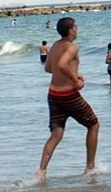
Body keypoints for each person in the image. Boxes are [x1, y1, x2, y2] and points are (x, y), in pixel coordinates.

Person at [38, 16, 100, 178]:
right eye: (76, 27)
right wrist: (75, 81)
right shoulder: (71, 47)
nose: (77, 29)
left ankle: (41, 172)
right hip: (68, 95)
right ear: (71, 30)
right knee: (93, 124)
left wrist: (74, 74)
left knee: (56, 133)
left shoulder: (56, 45)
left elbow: (48, 68)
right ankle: (90, 167)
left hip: (53, 95)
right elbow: (61, 65)